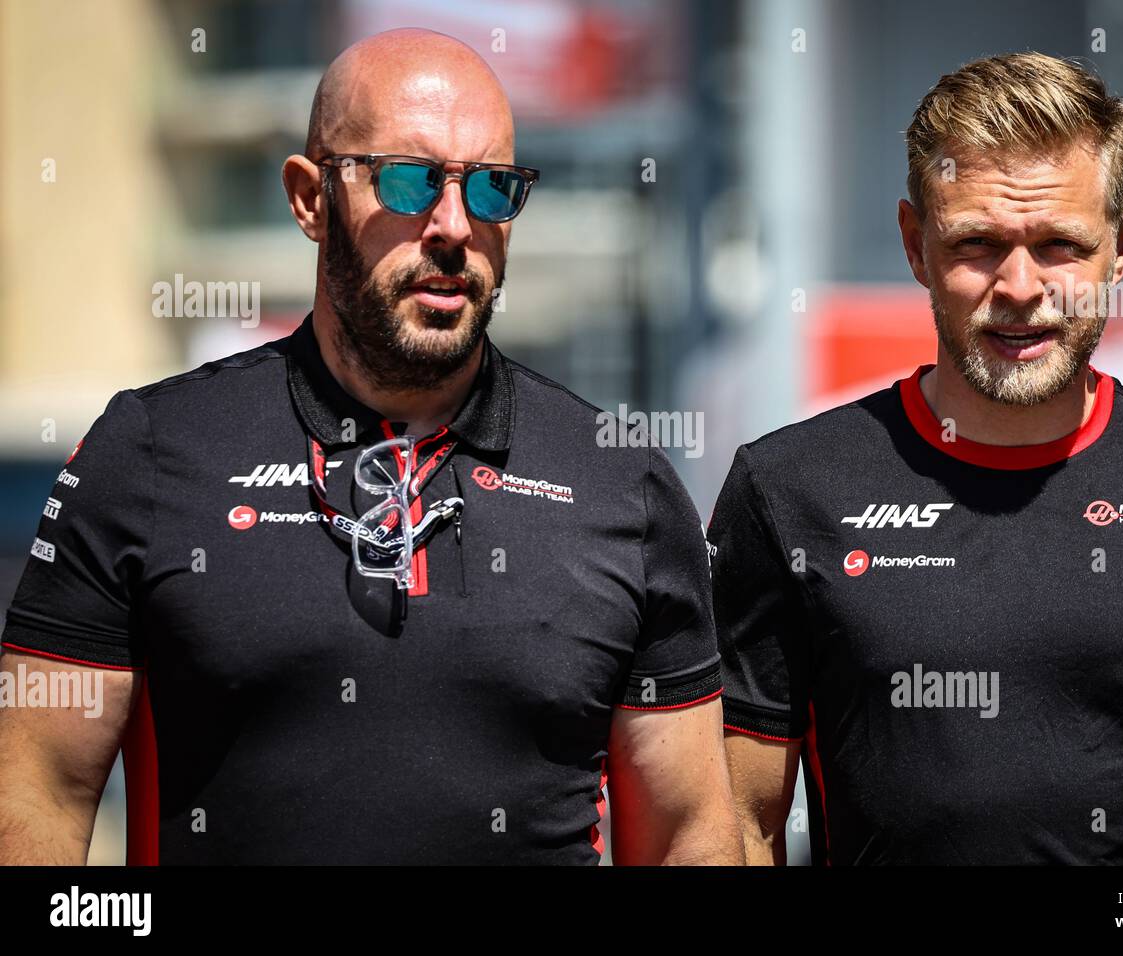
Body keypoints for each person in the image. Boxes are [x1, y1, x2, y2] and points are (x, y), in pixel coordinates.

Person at [0, 28, 741, 865]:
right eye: (410, 179)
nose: (455, 226)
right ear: (311, 199)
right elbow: (37, 794)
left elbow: (689, 831)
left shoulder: (621, 480)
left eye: (493, 189)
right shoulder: (150, 451)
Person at [711, 52, 1123, 865]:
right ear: (916, 246)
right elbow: (734, 829)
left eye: (1060, 244)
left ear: (1122, 246)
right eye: (978, 244)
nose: (1020, 287)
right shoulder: (788, 491)